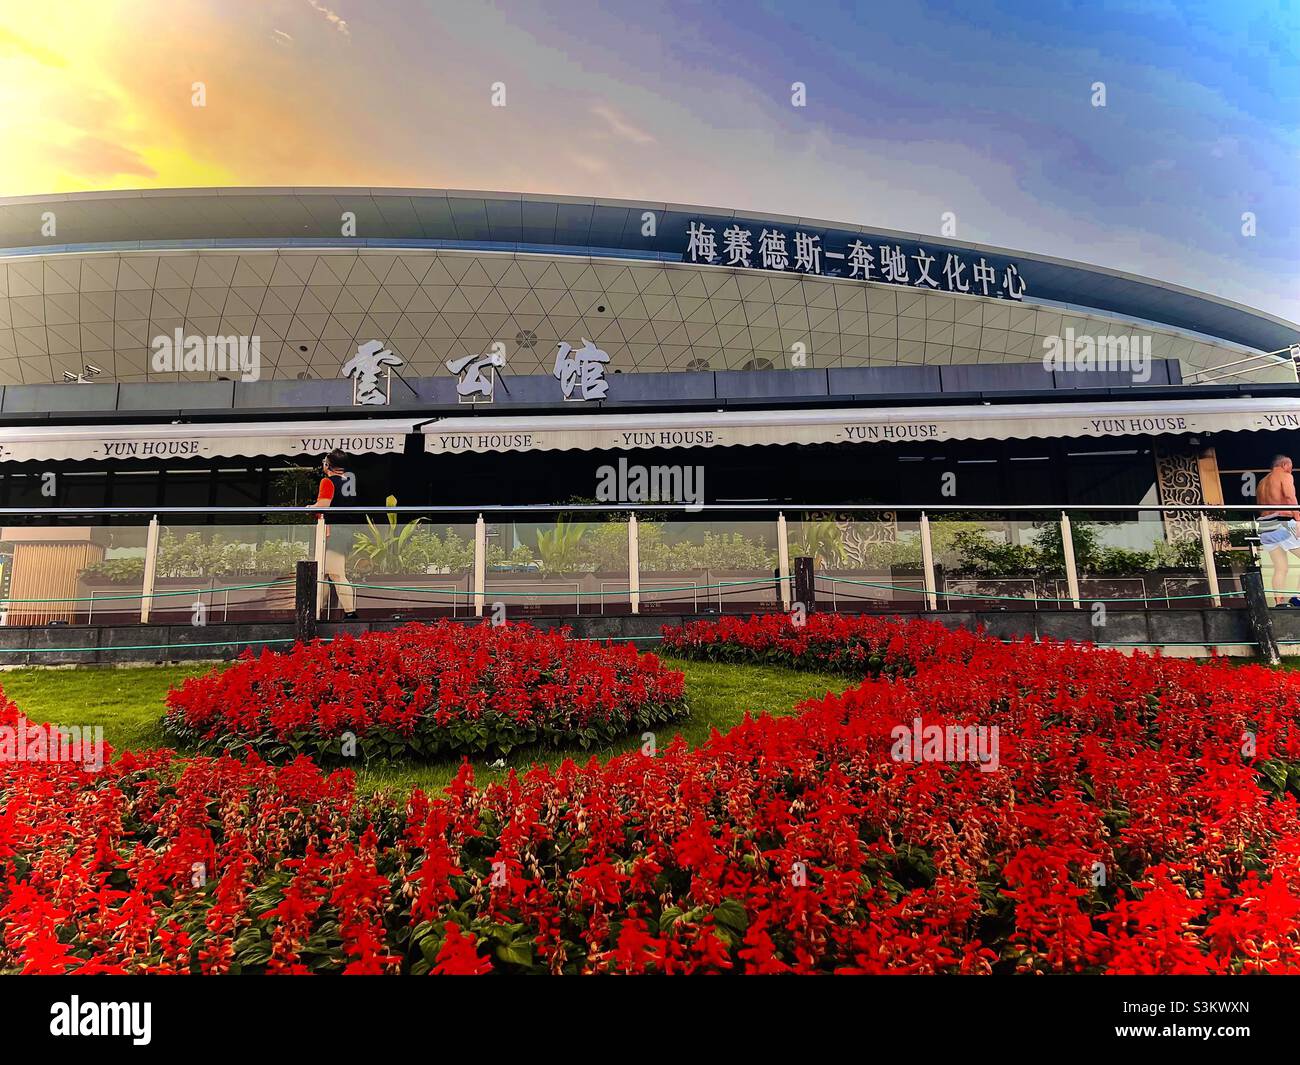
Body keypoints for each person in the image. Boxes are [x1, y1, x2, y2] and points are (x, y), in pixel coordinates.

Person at [308, 450, 359, 620]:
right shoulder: (349, 482)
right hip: (346, 530)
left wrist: (309, 508)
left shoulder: (327, 482)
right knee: (325, 573)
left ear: (328, 465)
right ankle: (316, 611)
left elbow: (323, 504)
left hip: (333, 531)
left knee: (336, 573)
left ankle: (350, 613)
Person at [1256, 455, 1300, 607]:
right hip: (1283, 522)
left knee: (1280, 567)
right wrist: (1298, 519)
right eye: (1291, 466)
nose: (1291, 469)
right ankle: (1298, 598)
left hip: (1265, 526)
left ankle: (1279, 602)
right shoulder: (1284, 475)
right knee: (1281, 567)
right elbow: (1289, 496)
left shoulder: (1262, 482)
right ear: (1284, 464)